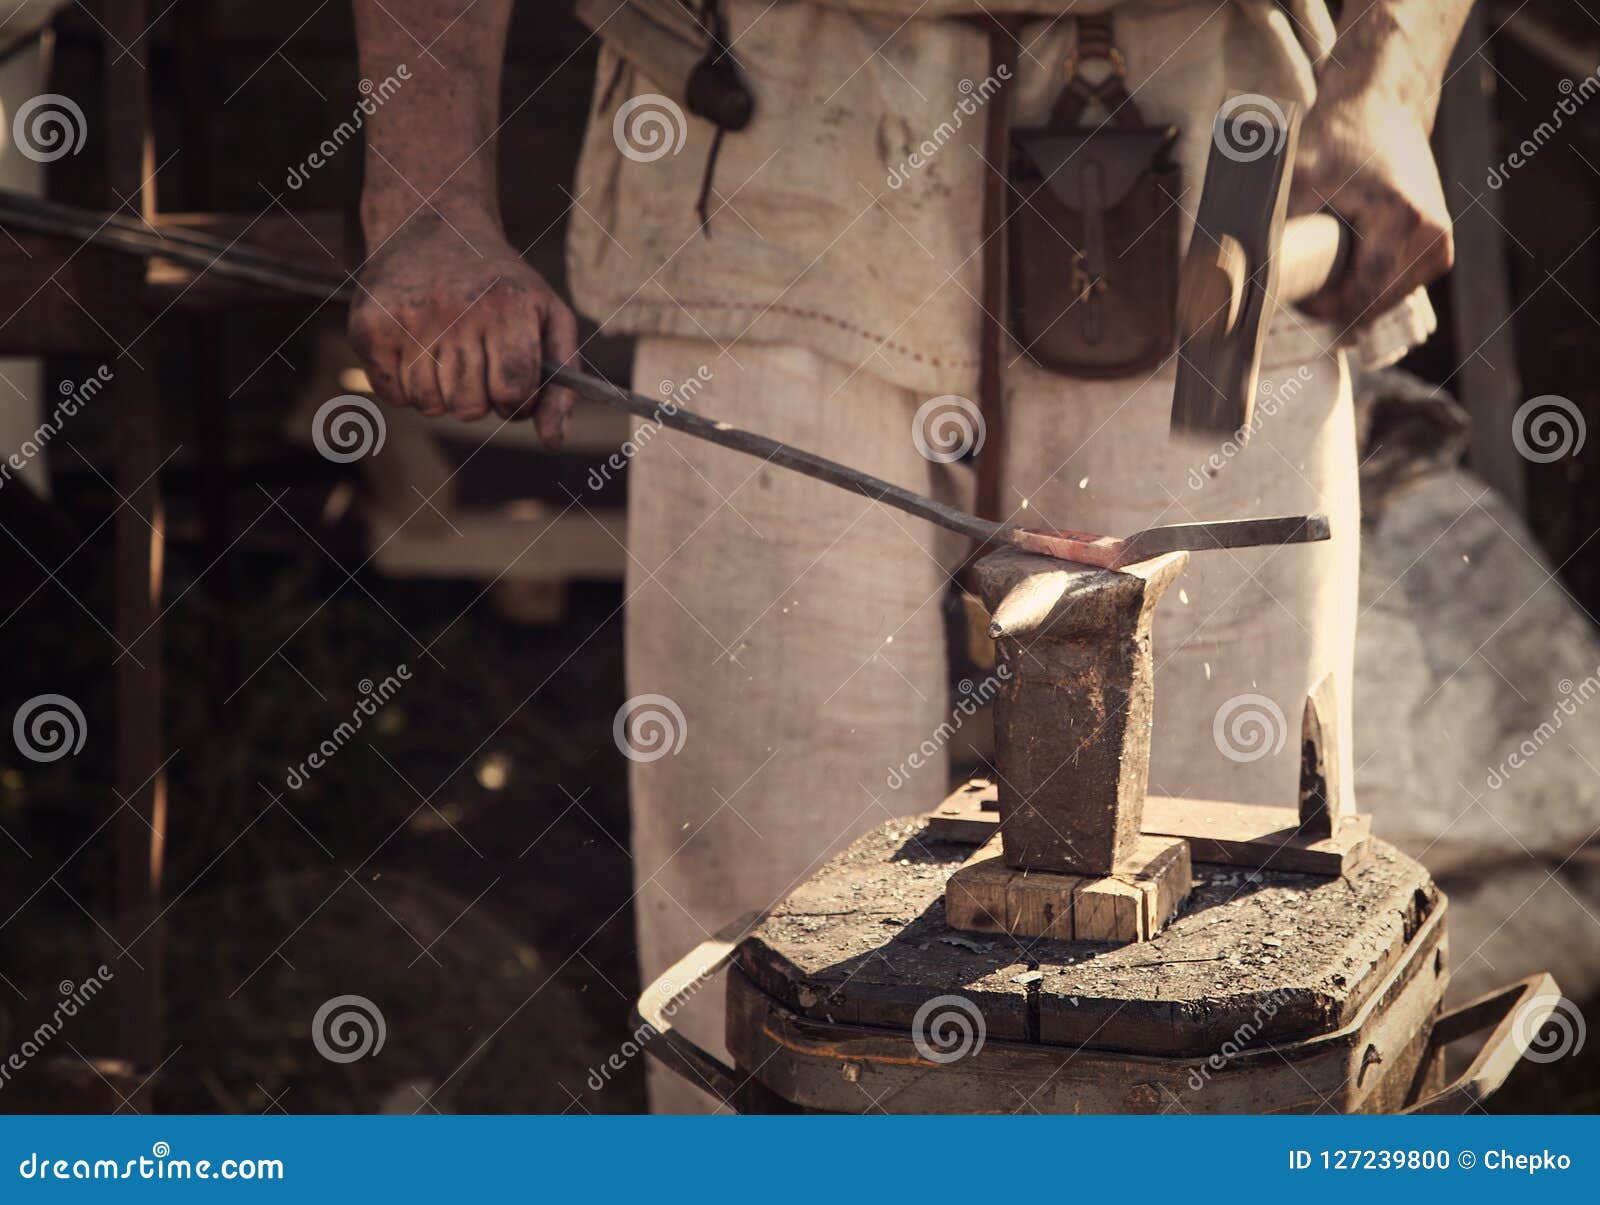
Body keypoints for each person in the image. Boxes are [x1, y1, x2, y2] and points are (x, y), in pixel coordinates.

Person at [349, 0, 1470, 1111]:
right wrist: (428, 197)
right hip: (768, 145)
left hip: (1208, 111)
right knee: (771, 923)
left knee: (1236, 918)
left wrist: (1390, 72)